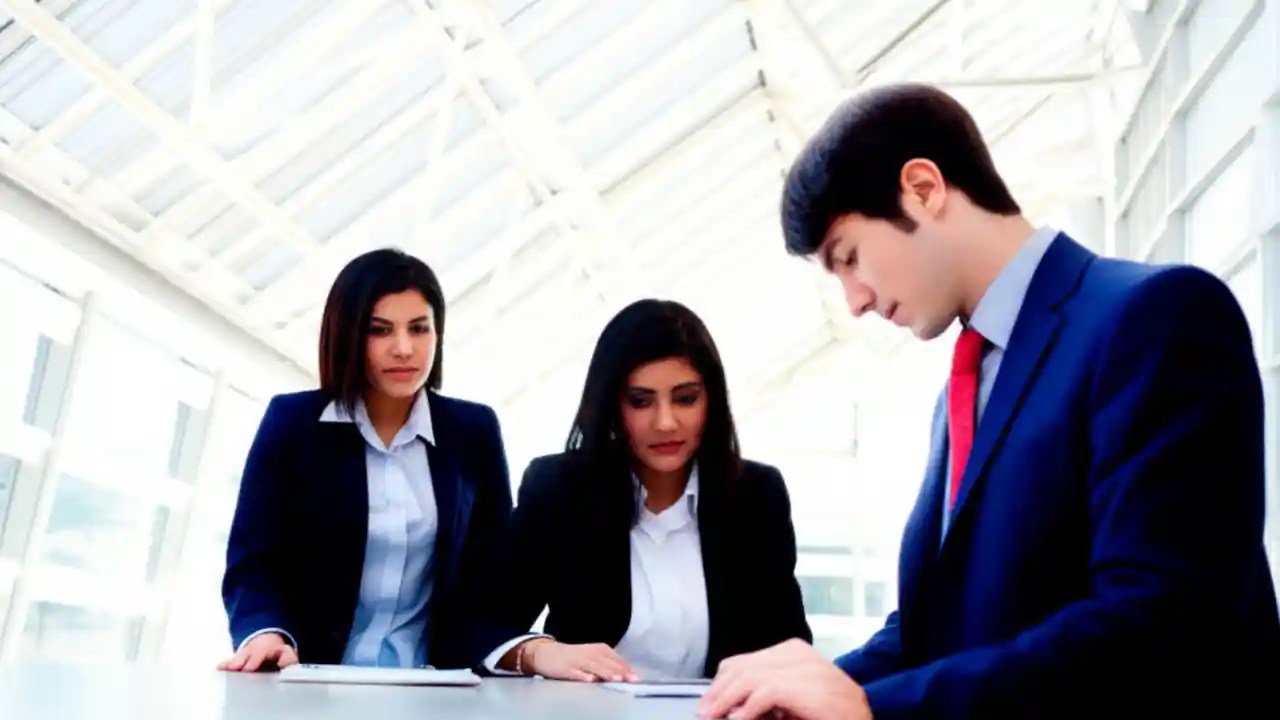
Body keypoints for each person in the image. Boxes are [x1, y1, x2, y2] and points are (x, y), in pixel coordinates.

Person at [698, 83, 1280, 719]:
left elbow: (1158, 624)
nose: (856, 301)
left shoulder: (1155, 318)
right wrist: (804, 691)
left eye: (851, 258)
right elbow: (935, 627)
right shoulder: (961, 395)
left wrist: (872, 711)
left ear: (924, 189)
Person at [473, 299, 811, 682]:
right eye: (641, 401)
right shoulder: (560, 489)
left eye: (685, 399)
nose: (665, 422)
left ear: (711, 402)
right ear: (613, 407)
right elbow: (481, 625)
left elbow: (790, 647)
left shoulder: (755, 496)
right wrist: (538, 653)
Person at [219, 248, 512, 672]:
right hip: (309, 680)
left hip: (432, 688)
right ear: (349, 335)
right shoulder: (294, 423)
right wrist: (266, 631)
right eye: (380, 330)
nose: (404, 348)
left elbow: (493, 575)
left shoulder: (473, 432)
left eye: (419, 328)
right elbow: (252, 560)